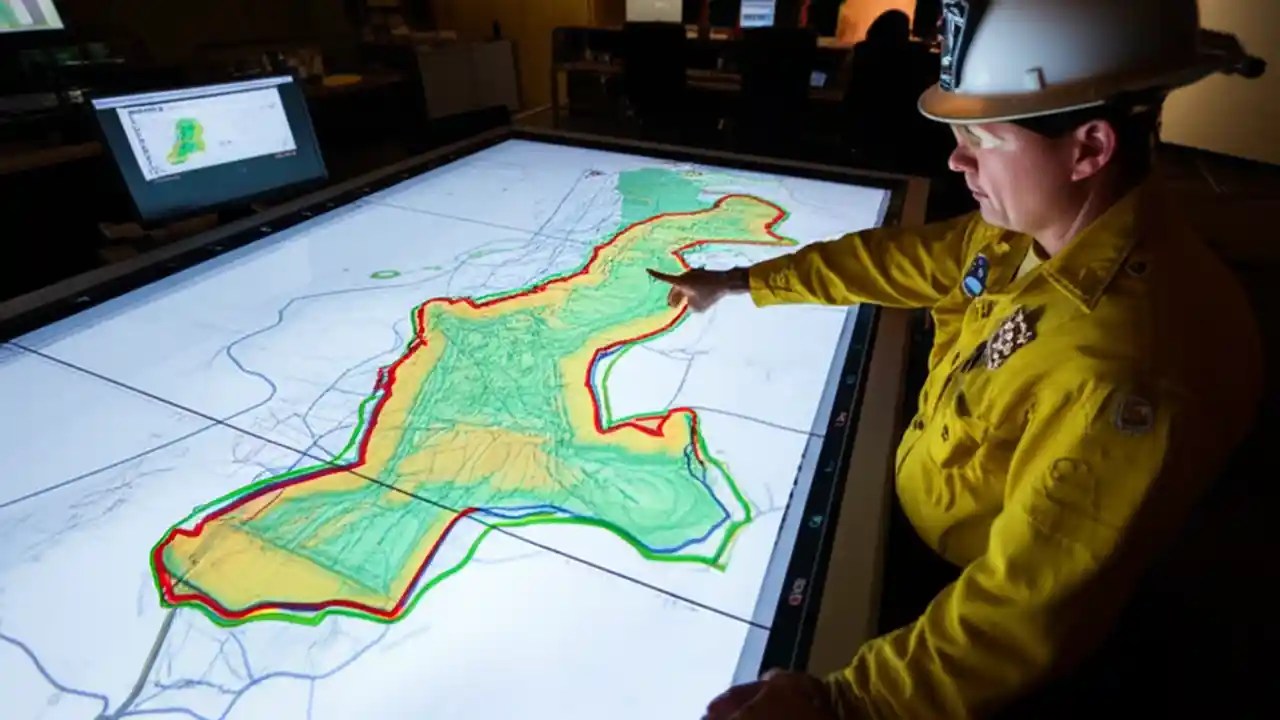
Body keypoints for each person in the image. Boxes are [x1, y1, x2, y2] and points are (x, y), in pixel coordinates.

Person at [649, 1, 1267, 717]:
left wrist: (840, 704)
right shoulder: (1038, 228)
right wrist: (743, 281)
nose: (955, 158)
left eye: (982, 137)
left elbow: (1023, 609)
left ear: (1089, 148)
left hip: (966, 612)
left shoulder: (1126, 368)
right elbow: (902, 261)